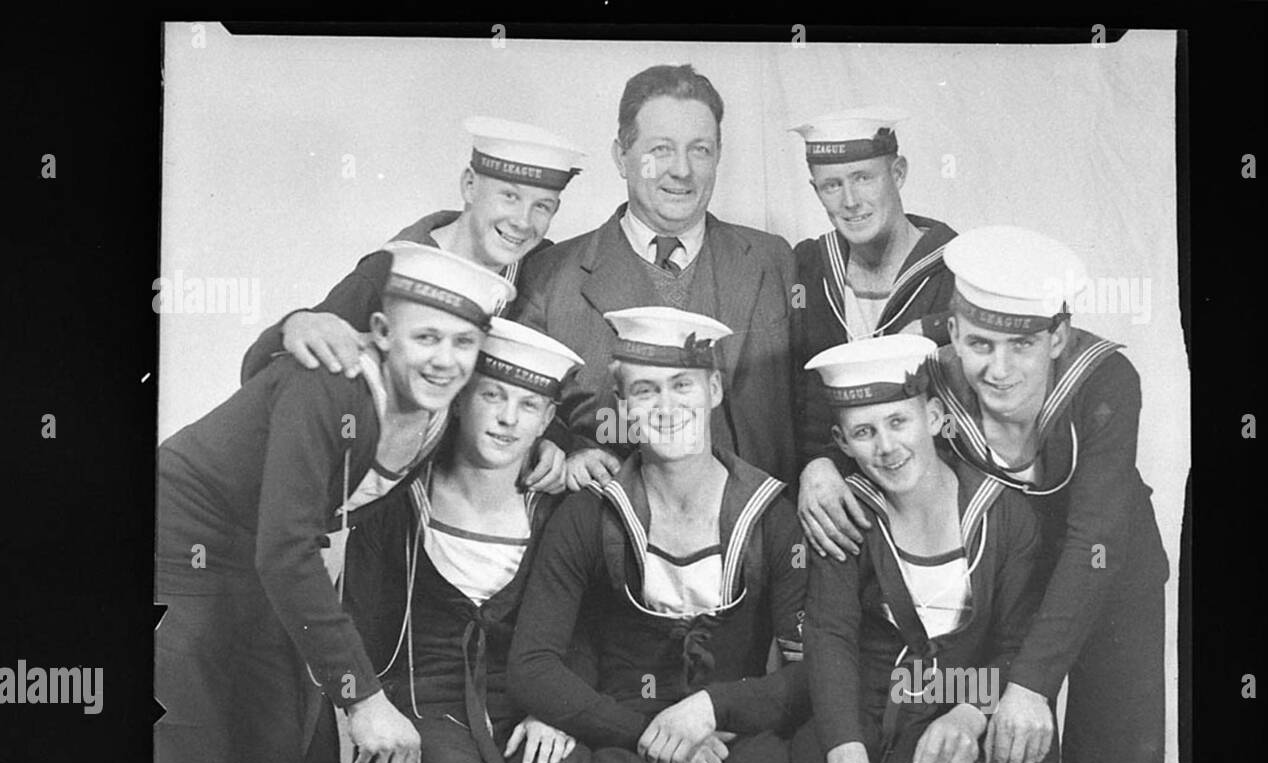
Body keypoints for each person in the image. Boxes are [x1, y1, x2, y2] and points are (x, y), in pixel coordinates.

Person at [154, 244, 514, 763]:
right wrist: (364, 700)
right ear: (381, 332)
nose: (445, 360)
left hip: (265, 554)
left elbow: (516, 410)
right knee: (196, 740)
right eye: (426, 337)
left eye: (463, 343)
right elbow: (286, 551)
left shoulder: (439, 409)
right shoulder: (332, 384)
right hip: (183, 541)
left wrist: (564, 450)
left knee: (286, 742)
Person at [507, 307, 809, 763]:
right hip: (621, 736)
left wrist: (712, 709)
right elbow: (531, 667)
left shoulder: (771, 515)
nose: (667, 407)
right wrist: (648, 734)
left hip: (736, 734)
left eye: (682, 385)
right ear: (622, 405)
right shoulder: (590, 513)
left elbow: (811, 672)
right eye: (646, 391)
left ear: (714, 390)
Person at [928, 225, 1167, 763]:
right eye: (980, 345)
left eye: (1022, 345)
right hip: (1004, 579)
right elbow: (849, 423)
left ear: (1058, 337)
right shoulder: (923, 368)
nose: (1000, 369)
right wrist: (820, 469)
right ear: (954, 333)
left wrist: (1032, 683)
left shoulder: (1105, 377)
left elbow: (1095, 538)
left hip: (1109, 570)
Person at [239, 117, 587, 492]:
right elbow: (273, 369)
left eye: (542, 206)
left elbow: (538, 380)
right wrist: (297, 323)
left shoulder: (538, 271)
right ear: (470, 185)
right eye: (509, 196)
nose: (522, 221)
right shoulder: (389, 272)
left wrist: (553, 440)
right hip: (367, 487)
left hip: (461, 488)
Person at [511, 64, 800, 487]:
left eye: (700, 149)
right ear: (621, 157)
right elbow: (518, 404)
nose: (682, 170)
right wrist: (566, 446)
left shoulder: (774, 260)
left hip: (761, 519)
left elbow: (812, 398)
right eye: (661, 150)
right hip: (614, 522)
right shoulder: (550, 276)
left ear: (718, 156)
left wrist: (820, 464)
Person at [336, 320, 587, 763]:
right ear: (459, 399)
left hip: (533, 718)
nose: (508, 418)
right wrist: (367, 707)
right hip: (419, 716)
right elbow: (350, 628)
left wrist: (559, 712)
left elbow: (588, 633)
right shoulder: (395, 505)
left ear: (547, 419)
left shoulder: (560, 514)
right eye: (492, 395)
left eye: (528, 404)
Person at [795, 335, 1053, 763]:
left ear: (933, 417)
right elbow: (830, 637)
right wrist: (847, 760)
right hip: (860, 722)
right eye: (864, 432)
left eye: (899, 421)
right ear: (841, 443)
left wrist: (970, 713)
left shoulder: (1003, 513)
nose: (887, 447)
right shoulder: (844, 512)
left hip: (960, 711)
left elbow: (1017, 643)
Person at [788, 109, 960, 567]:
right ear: (815, 190)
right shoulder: (808, 267)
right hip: (840, 506)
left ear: (898, 173)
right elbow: (800, 400)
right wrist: (815, 464)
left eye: (863, 178)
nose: (850, 201)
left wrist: (932, 327)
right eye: (832, 185)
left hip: (941, 513)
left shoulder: (956, 267)